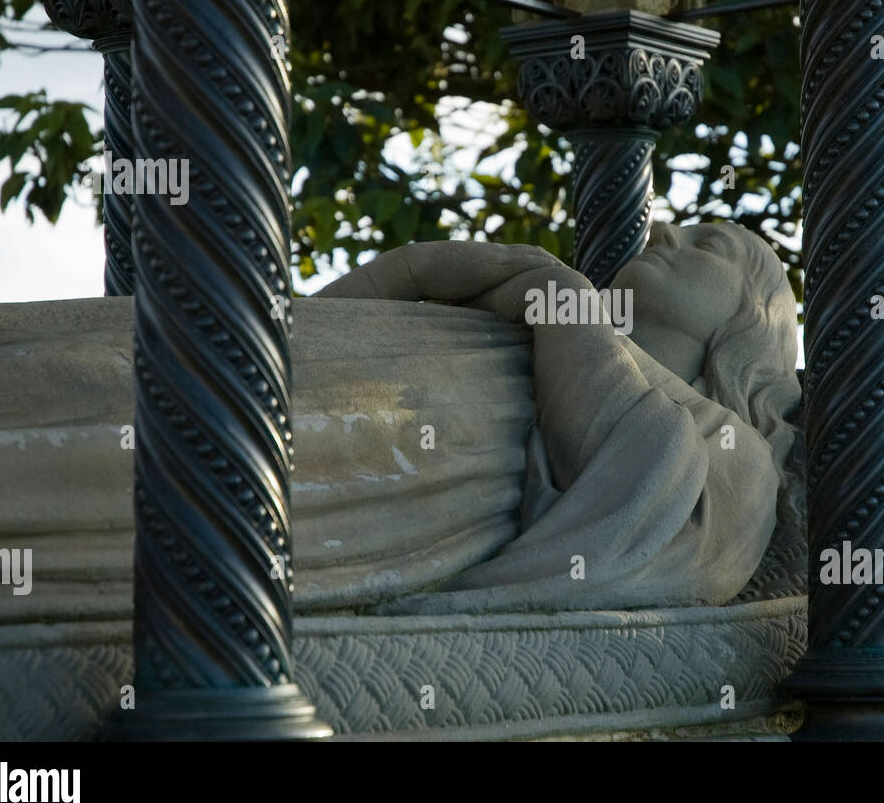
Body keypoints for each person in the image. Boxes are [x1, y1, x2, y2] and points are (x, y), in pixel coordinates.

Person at [315, 221, 805, 612]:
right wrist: (408, 269)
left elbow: (614, 462)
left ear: (755, 321)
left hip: (382, 494)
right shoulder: (519, 319)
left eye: (710, 245)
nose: (663, 231)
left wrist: (559, 296)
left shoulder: (741, 457)